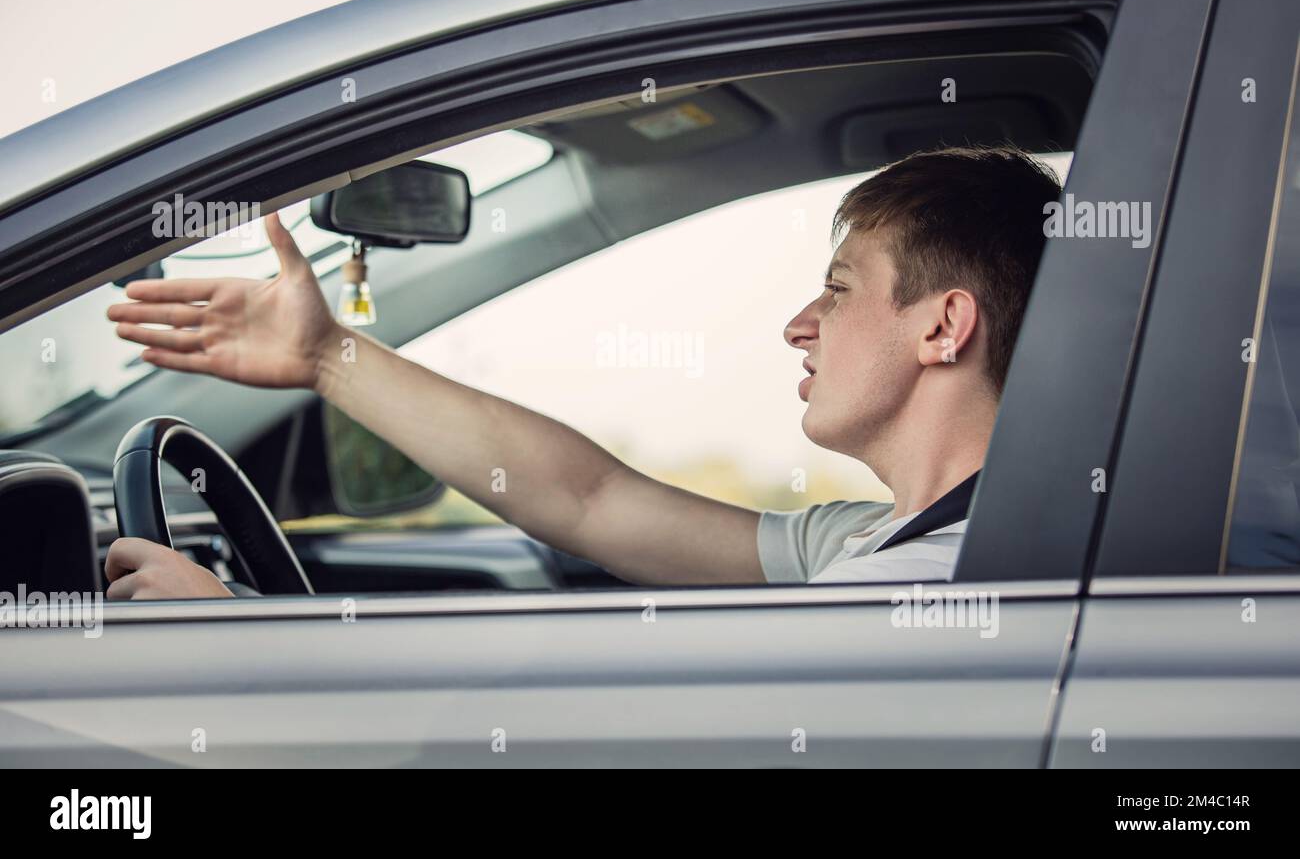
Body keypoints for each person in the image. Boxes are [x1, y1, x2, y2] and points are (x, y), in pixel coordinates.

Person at [103, 145, 1060, 599]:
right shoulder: (875, 541)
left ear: (944, 328)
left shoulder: (932, 582)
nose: (797, 325)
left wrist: (242, 635)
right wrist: (325, 356)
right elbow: (591, 501)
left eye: (839, 292)